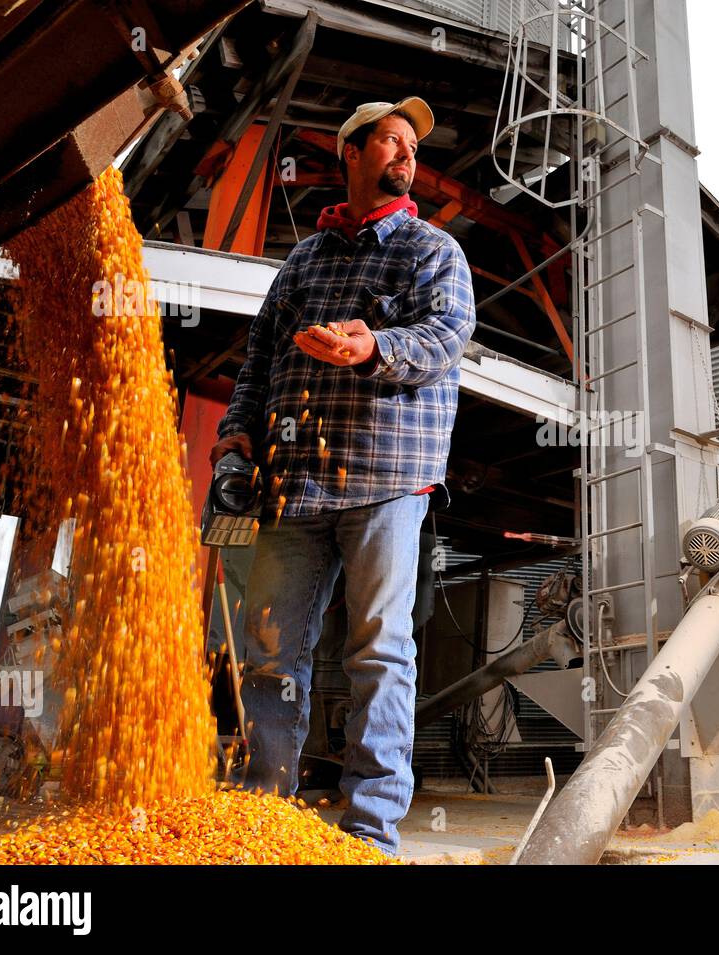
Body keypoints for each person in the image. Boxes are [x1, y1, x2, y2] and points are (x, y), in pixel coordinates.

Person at [209, 97, 475, 855]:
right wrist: (234, 440)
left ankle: (369, 834)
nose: (404, 154)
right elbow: (259, 360)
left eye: (411, 146)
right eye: (388, 141)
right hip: (293, 486)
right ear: (350, 154)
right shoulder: (303, 262)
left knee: (380, 650)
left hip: (389, 480)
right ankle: (267, 816)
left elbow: (447, 334)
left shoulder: (432, 250)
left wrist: (374, 346)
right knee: (268, 651)